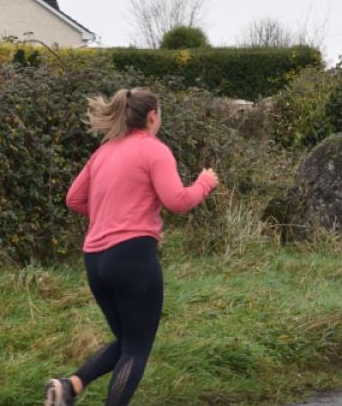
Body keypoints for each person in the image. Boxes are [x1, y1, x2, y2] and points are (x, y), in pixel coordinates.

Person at [45, 88, 219, 406]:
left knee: (128, 341)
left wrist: (112, 214)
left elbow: (73, 199)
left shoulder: (103, 152)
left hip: (95, 260)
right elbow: (177, 201)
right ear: (152, 116)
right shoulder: (154, 150)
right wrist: (205, 182)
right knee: (137, 348)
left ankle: (68, 387)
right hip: (132, 258)